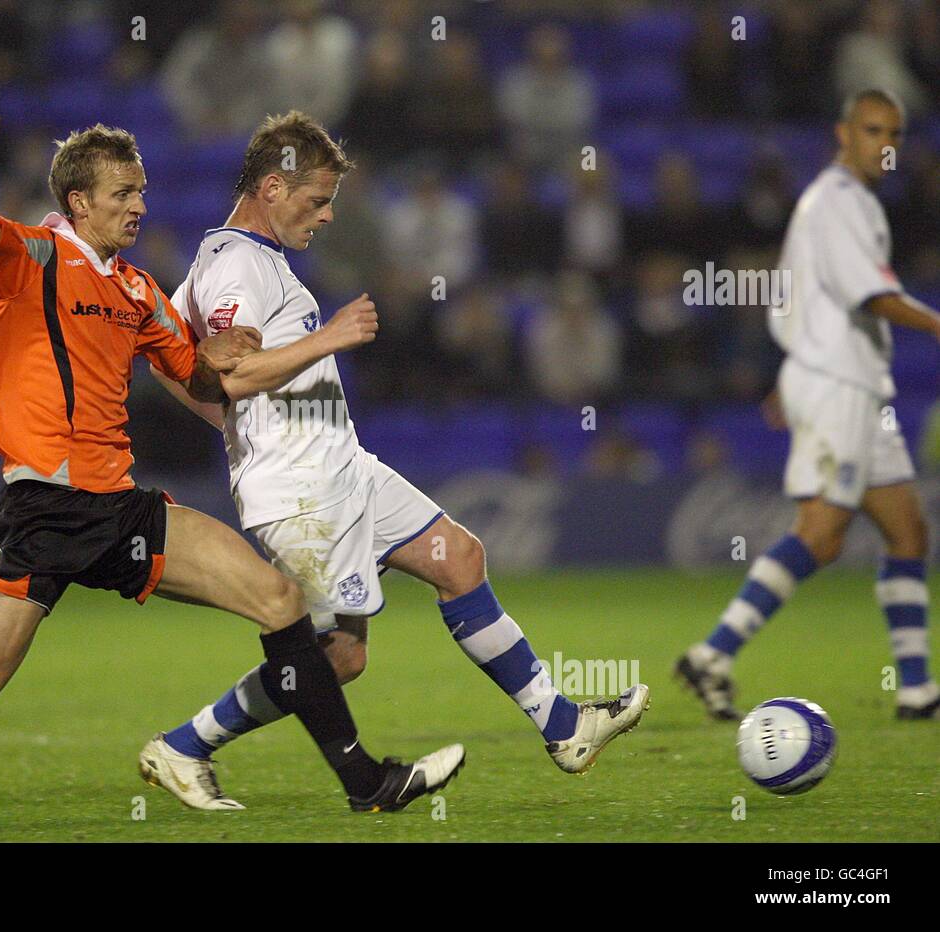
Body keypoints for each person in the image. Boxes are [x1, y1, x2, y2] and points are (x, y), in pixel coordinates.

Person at [0, 114, 464, 819]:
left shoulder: (135, 289)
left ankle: (364, 782)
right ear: (78, 201)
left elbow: (201, 378)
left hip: (122, 508)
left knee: (278, 600)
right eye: (124, 193)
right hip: (44, 512)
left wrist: (226, 358)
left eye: (142, 190)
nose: (140, 205)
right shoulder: (33, 256)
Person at [142, 111, 649, 811]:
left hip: (342, 465)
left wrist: (227, 419)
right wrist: (329, 339)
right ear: (270, 188)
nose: (323, 218)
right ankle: (184, 745)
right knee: (339, 659)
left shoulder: (227, 259)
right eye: (316, 201)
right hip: (301, 491)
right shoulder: (237, 267)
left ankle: (565, 728)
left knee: (459, 559)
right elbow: (235, 372)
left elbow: (172, 357)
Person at [677, 90, 939, 721]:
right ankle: (712, 653)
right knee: (820, 535)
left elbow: (814, 297)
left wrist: (792, 373)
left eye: (895, 134)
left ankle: (917, 690)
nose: (885, 144)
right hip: (837, 385)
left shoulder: (847, 204)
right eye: (872, 129)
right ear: (842, 133)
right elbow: (874, 297)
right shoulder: (836, 202)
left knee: (908, 531)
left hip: (850, 382)